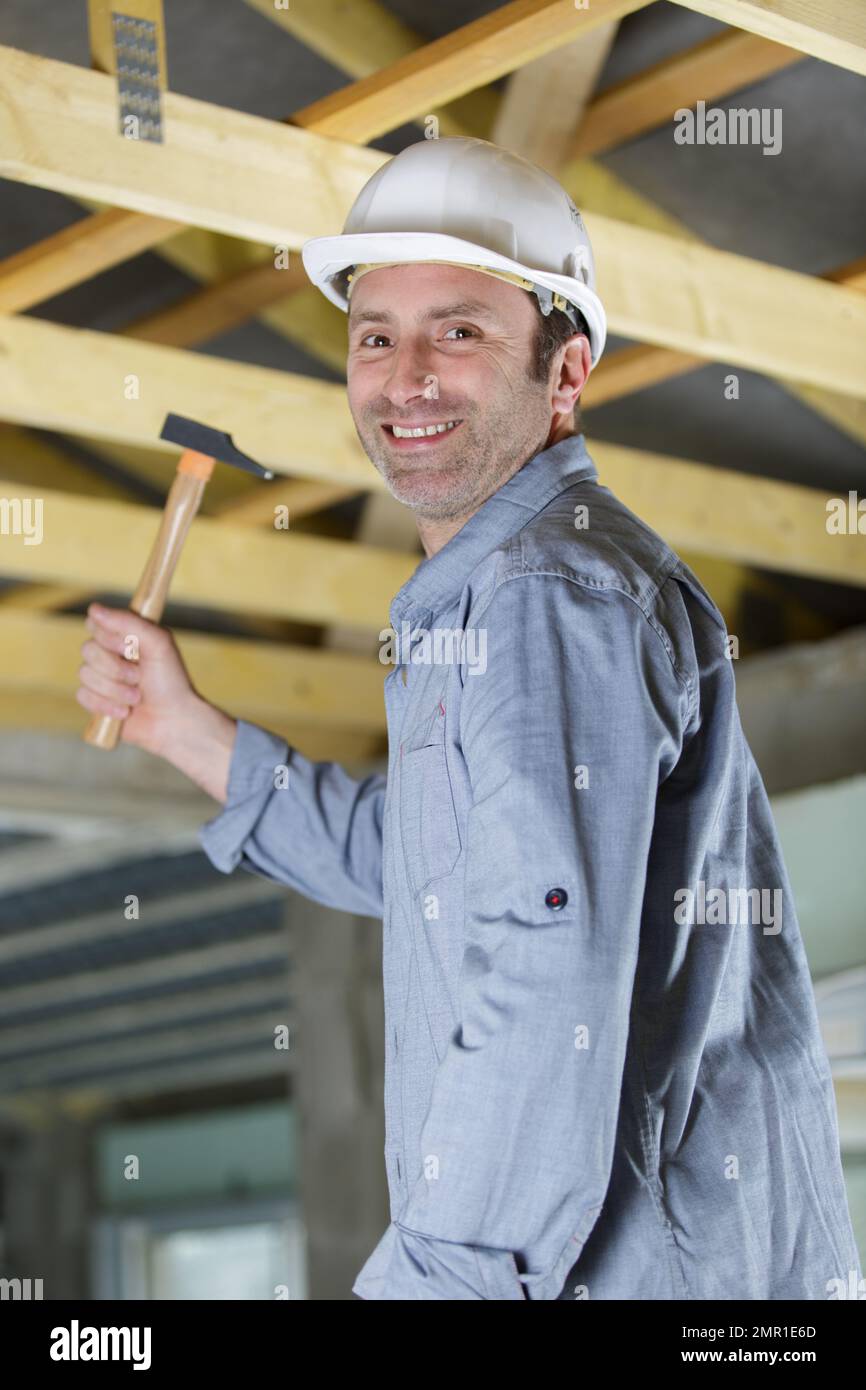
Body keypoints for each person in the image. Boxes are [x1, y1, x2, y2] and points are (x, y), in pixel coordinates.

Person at [77, 137, 861, 1301]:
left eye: (459, 331)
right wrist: (184, 727)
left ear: (564, 372)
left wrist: (435, 1284)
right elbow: (432, 858)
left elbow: (543, 968)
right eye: (375, 336)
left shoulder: (550, 591)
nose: (406, 379)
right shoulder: (512, 590)